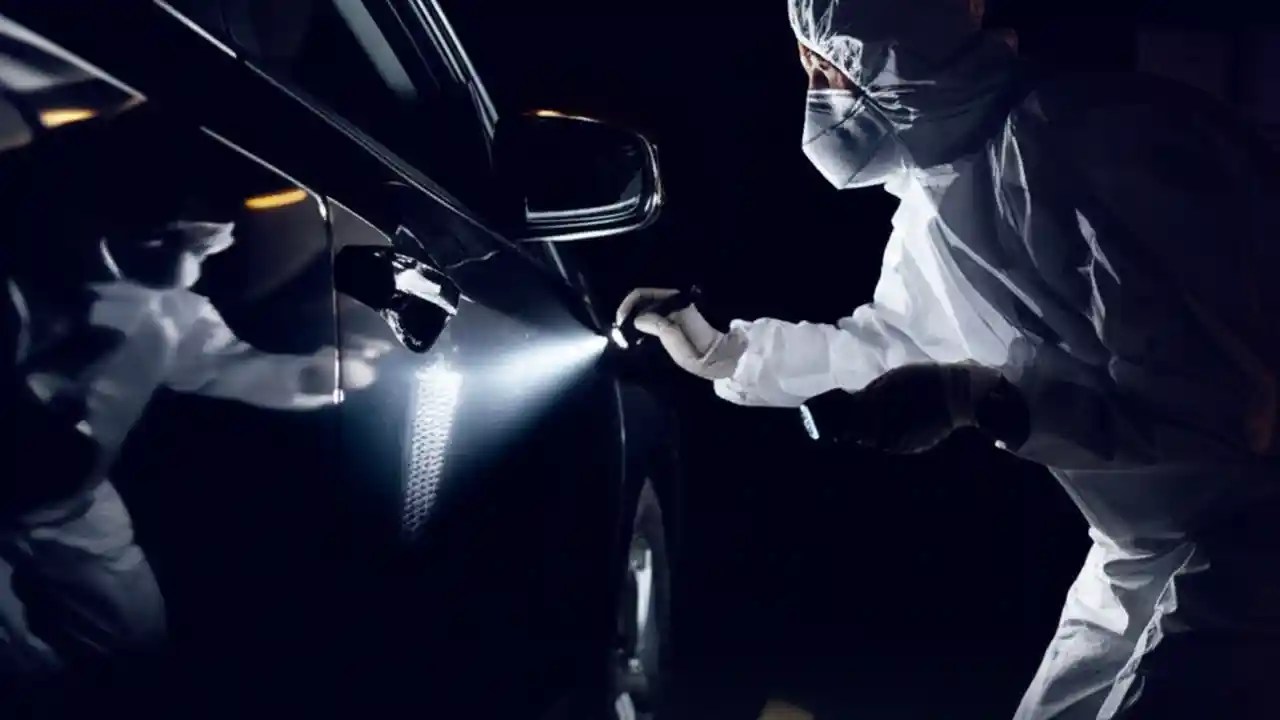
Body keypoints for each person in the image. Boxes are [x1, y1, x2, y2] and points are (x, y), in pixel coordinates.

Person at [618, 0, 1280, 717]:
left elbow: (1220, 422)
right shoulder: (945, 191)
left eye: (828, 66)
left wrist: (978, 401)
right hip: (1145, 551)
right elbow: (890, 346)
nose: (813, 92)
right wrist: (726, 352)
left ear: (895, 50)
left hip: (1245, 550)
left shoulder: (1085, 146)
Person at [1, 214, 388, 701]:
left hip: (75, 499)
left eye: (213, 243)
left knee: (133, 638)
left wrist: (315, 378)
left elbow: (223, 366)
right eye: (201, 241)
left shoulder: (174, 311)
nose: (214, 249)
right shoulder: (28, 280)